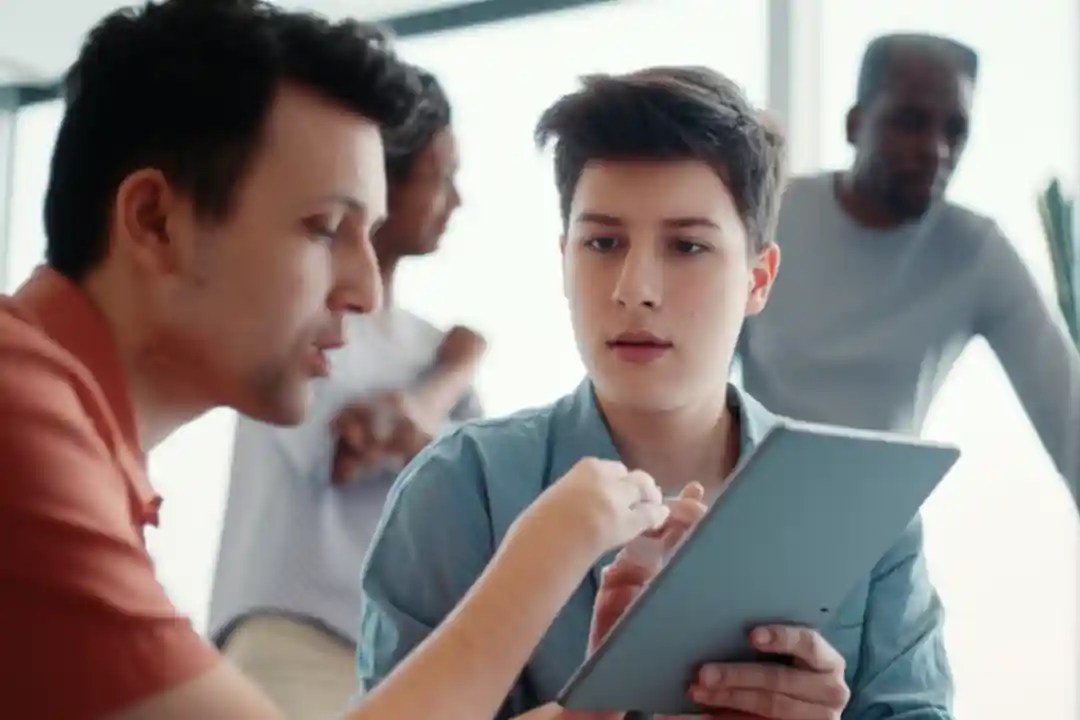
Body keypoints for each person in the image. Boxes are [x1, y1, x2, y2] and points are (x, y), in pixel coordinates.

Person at [0, 2, 675, 718]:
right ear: (154, 221)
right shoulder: (18, 423)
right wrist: (548, 552)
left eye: (368, 235)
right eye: (324, 229)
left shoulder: (73, 446)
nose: (364, 290)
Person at [359, 66, 954, 719]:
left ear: (759, 278)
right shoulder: (457, 491)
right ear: (565, 260)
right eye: (604, 242)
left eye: (687, 246)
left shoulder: (864, 512)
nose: (635, 286)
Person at [205, 67, 488, 718]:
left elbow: (472, 489)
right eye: (441, 176)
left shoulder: (430, 343)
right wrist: (454, 375)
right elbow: (344, 444)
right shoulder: (295, 310)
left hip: (399, 657)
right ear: (380, 178)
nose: (458, 199)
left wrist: (425, 402)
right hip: (290, 637)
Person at [737, 33, 1080, 509]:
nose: (936, 150)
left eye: (954, 131)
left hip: (884, 538)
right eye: (911, 122)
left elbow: (1072, 425)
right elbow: (689, 398)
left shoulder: (976, 251)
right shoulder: (771, 219)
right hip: (760, 515)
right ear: (855, 124)